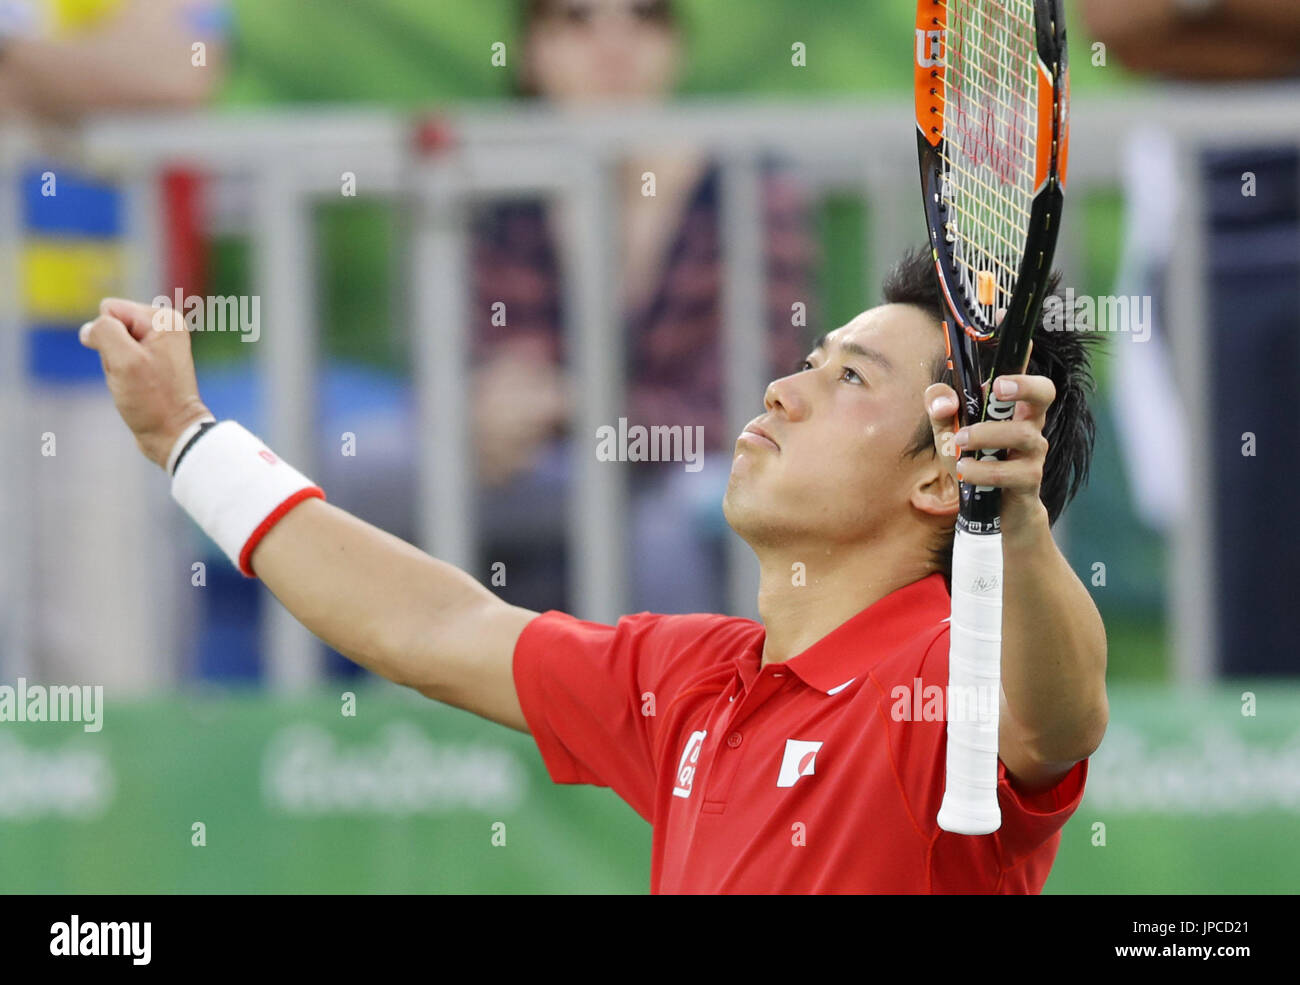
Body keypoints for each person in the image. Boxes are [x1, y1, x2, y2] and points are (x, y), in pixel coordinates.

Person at [77, 244, 1107, 893]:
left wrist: (1011, 528)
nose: (784, 389)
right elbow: (433, 628)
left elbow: (1054, 715)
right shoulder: (691, 679)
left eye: (847, 378)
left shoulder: (946, 679)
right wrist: (186, 439)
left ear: (940, 480)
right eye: (809, 360)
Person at [470, 0, 815, 614]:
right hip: (559, 473)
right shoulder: (510, 201)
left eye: (645, 15)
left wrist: (577, 407)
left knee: (664, 530)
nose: (614, 43)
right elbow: (498, 377)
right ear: (531, 51)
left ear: (675, 42)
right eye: (577, 18)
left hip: (695, 476)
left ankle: (680, 710)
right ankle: (379, 702)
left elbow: (745, 413)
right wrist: (487, 413)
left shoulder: (748, 191)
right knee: (379, 476)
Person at [1081, 0, 1300, 676]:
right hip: (1207, 265)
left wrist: (1198, 13)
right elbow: (1119, 29)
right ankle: (1258, 764)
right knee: (1241, 561)